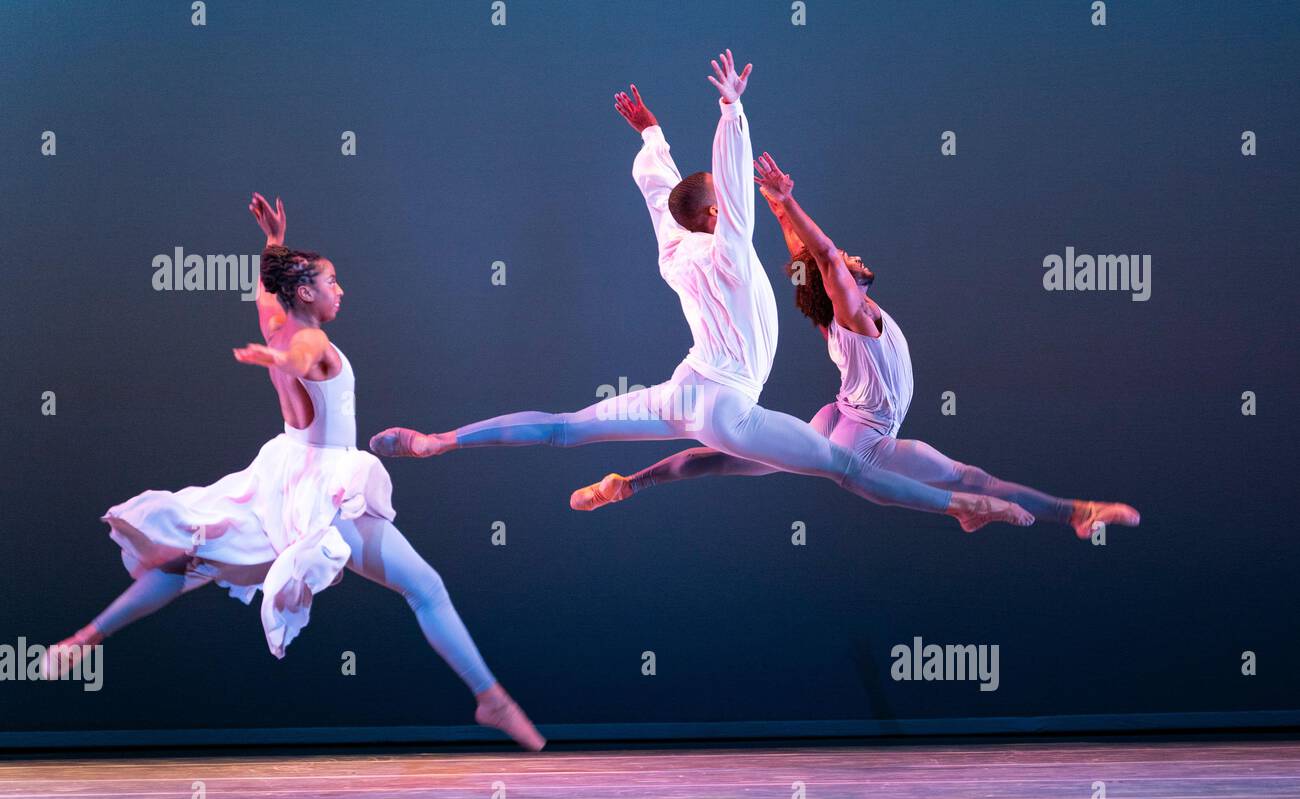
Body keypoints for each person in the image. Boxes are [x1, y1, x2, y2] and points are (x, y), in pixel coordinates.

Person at [370, 51, 1031, 534]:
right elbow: (728, 176)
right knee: (847, 469)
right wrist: (730, 108)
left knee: (565, 429)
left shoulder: (675, 245)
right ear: (718, 215)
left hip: (683, 389)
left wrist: (650, 133)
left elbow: (663, 192)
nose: (729, 198)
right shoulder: (730, 247)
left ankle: (441, 440)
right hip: (725, 406)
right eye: (724, 200)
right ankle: (965, 507)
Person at [41, 194, 545, 751]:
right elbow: (304, 357)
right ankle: (491, 698)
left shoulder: (276, 318)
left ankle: (86, 637)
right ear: (305, 291)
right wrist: (280, 359)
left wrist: (273, 242)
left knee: (188, 558)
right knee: (425, 587)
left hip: (280, 476)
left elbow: (268, 301)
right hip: (323, 487)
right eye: (333, 281)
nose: (341, 289)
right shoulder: (311, 341)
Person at [569, 153, 1141, 540]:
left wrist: (779, 208)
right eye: (849, 263)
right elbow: (823, 257)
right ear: (844, 281)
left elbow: (809, 260)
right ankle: (1032, 512)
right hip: (863, 434)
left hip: (841, 415)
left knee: (728, 459)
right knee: (951, 481)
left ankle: (628, 484)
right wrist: (788, 204)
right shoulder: (853, 312)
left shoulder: (836, 310)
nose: (856, 259)